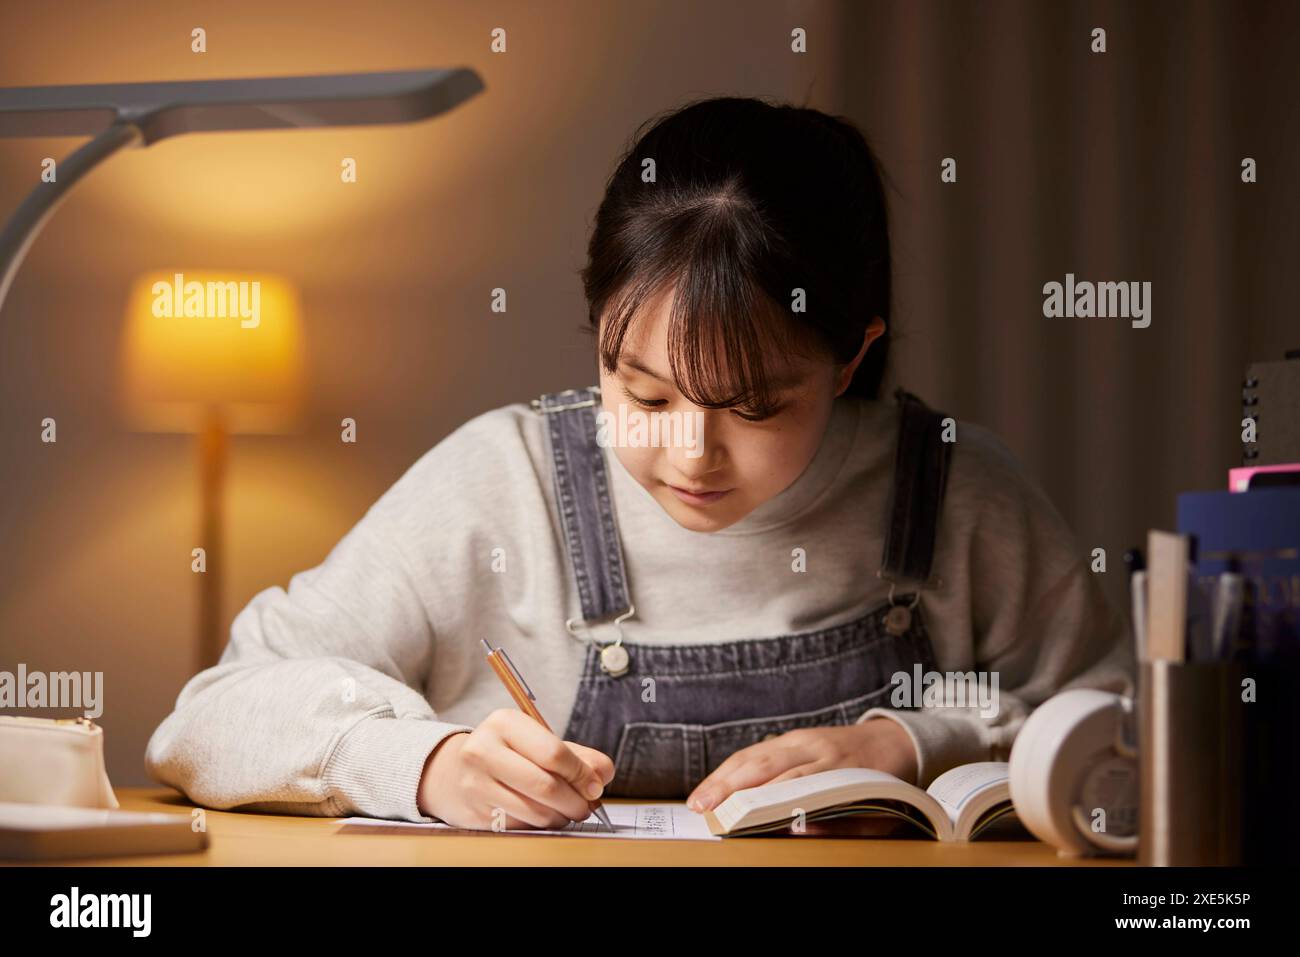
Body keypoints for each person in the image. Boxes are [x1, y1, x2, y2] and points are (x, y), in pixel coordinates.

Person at [146, 96, 1133, 830]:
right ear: (597, 339)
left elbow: (1124, 718)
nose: (688, 454)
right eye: (645, 393)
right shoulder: (506, 485)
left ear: (854, 354)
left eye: (756, 406)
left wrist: (908, 742)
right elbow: (208, 715)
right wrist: (421, 760)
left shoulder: (956, 491)